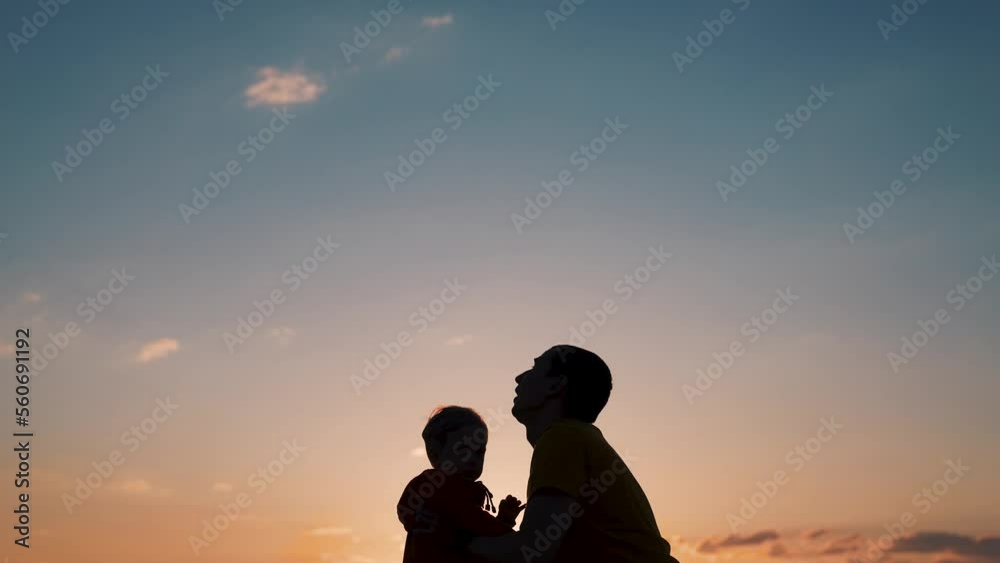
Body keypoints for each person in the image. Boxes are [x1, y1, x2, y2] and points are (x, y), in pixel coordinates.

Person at [467, 345, 679, 562]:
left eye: (534, 368)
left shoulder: (562, 438)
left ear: (556, 385)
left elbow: (534, 548)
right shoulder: (576, 437)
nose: (519, 377)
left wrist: (458, 544)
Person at [397, 406, 526, 563]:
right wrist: (511, 534)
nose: (472, 459)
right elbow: (474, 522)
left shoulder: (458, 494)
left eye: (479, 452)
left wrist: (504, 520)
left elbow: (473, 530)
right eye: (462, 450)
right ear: (436, 453)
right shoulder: (438, 488)